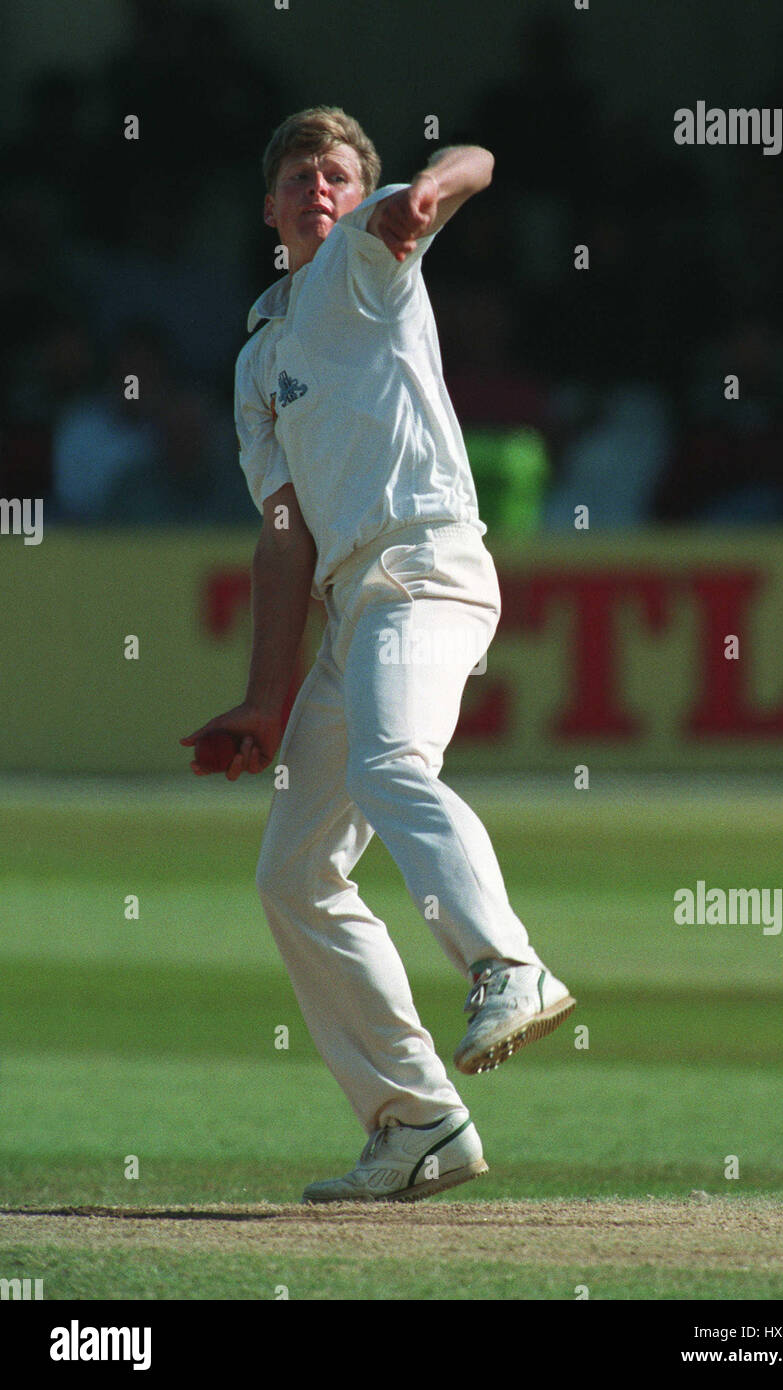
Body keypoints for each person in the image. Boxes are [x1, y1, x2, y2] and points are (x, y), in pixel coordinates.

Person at [181, 107, 574, 1203]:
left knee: (392, 764)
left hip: (430, 563)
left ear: (359, 196)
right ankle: (415, 1121)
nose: (320, 186)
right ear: (268, 206)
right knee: (293, 874)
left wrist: (432, 187)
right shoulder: (261, 354)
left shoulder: (366, 262)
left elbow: (481, 159)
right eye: (300, 174)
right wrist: (264, 698)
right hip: (353, 600)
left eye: (339, 173)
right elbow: (281, 537)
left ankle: (507, 962)